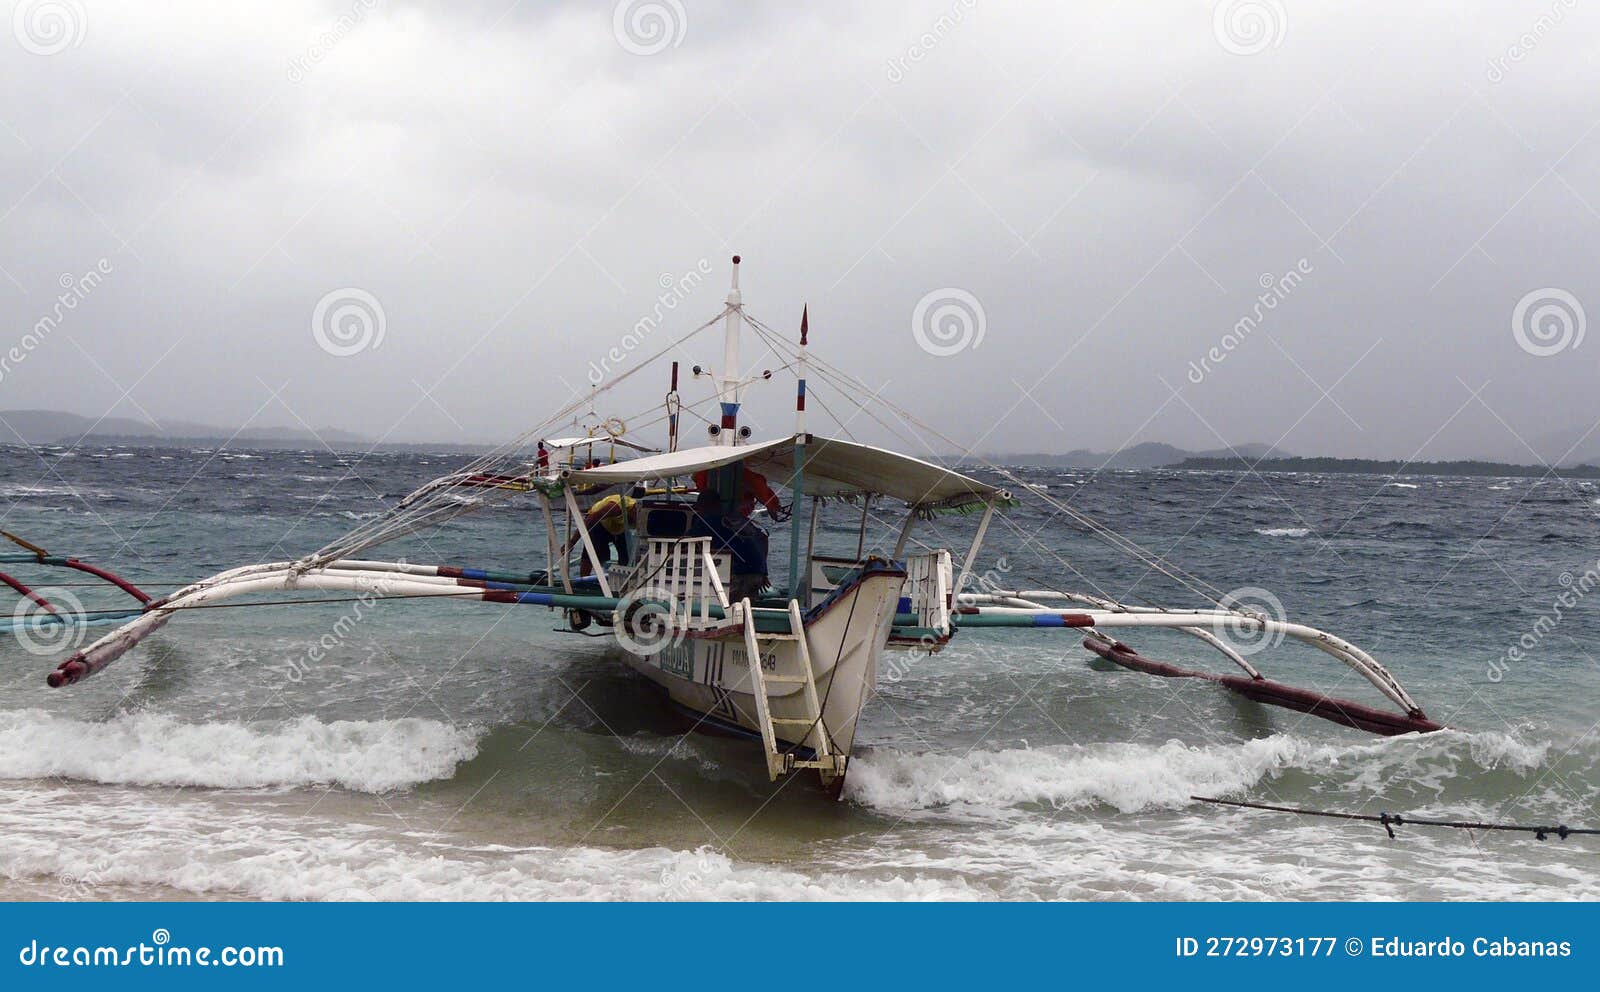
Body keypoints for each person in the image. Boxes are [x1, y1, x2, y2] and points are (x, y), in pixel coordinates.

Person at [568, 487, 637, 576]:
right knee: (592, 552)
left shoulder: (640, 514)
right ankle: (583, 578)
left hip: (618, 528)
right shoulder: (615, 507)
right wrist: (572, 542)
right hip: (599, 522)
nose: (635, 522)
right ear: (632, 511)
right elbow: (589, 521)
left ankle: (624, 578)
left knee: (627, 554)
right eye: (634, 519)